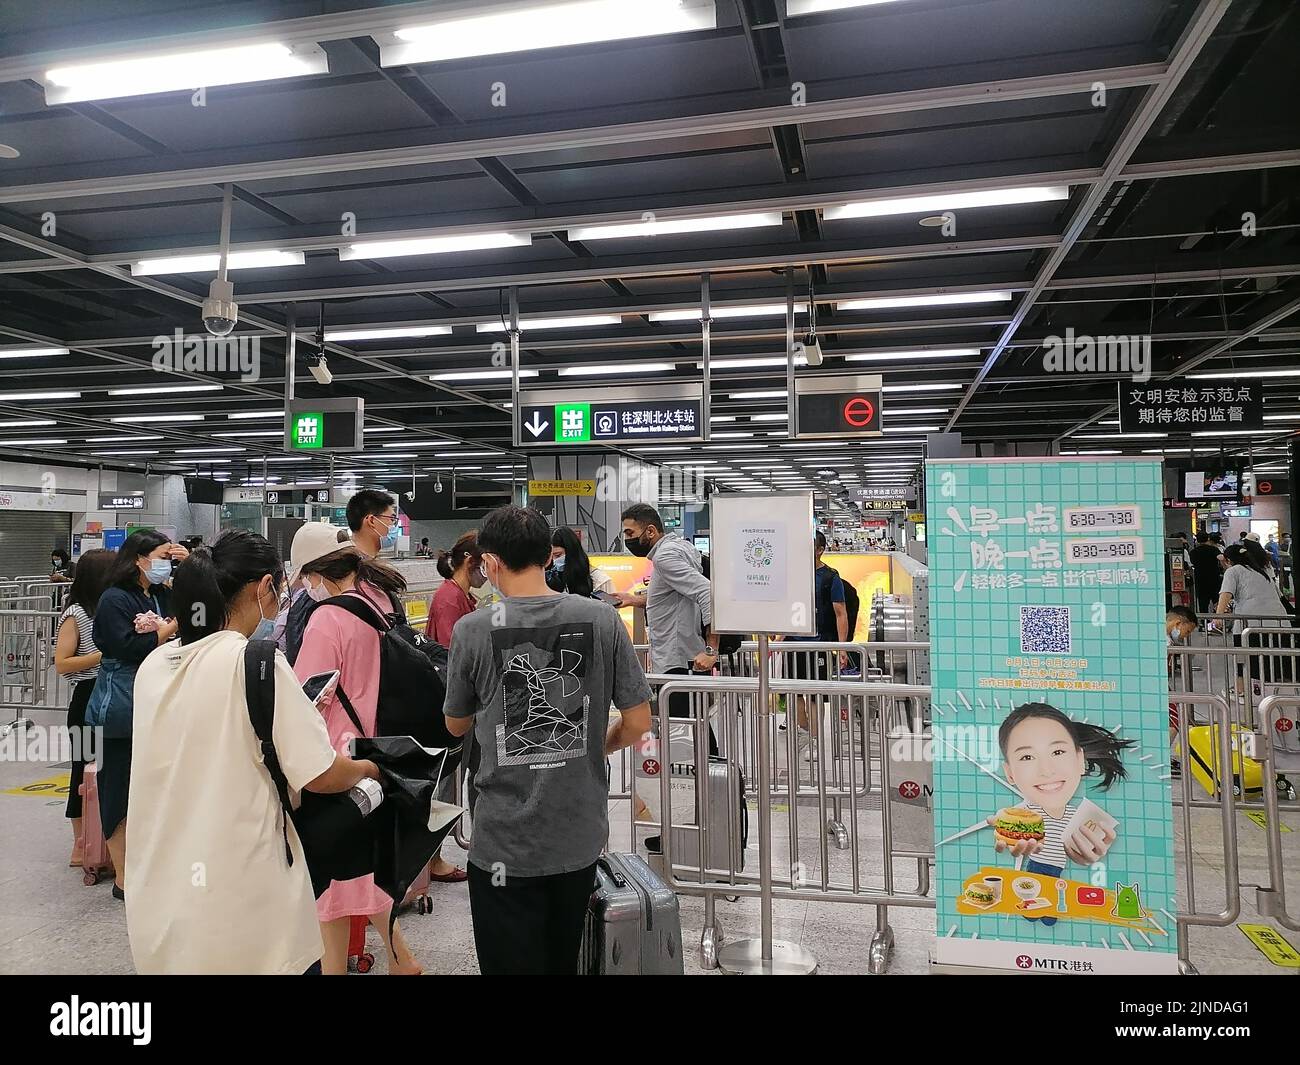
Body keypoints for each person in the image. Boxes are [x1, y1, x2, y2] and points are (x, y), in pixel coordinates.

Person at [125, 531, 380, 975]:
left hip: (160, 898)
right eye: (279, 589)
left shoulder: (154, 666)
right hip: (246, 902)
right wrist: (365, 768)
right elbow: (319, 773)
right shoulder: (258, 662)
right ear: (264, 588)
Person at [443, 505, 652, 975]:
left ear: (491, 562)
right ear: (547, 557)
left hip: (503, 844)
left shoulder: (473, 630)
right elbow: (639, 722)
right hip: (576, 835)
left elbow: (454, 725)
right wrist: (601, 744)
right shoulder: (600, 619)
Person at [289, 522, 423, 975]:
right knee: (359, 868)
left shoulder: (326, 618)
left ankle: (342, 968)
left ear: (315, 573)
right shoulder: (375, 605)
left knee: (327, 885)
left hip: (331, 763)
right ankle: (401, 959)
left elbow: (308, 696)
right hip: (371, 756)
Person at [90, 531, 188, 900]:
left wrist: (190, 563)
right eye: (163, 556)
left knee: (153, 788)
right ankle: (123, 877)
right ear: (139, 559)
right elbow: (124, 646)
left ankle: (151, 868)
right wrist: (168, 629)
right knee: (116, 786)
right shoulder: (115, 599)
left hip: (157, 702)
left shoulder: (162, 593)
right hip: (121, 703)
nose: (167, 562)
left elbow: (198, 610)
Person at [986, 702, 1132, 925]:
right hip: (1037, 863)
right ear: (1010, 773)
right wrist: (1003, 827)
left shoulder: (1078, 814)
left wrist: (1096, 847)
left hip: (1058, 865)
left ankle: (1046, 911)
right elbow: (1005, 817)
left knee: (1051, 892)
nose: (1046, 770)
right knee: (1034, 888)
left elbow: (1091, 840)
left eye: (1057, 752)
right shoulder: (1027, 813)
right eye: (1027, 757)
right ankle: (1032, 910)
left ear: (1080, 760)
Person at [614, 503, 721, 753]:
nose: (628, 540)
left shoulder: (665, 556)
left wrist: (711, 649)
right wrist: (634, 600)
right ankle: (709, 783)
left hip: (678, 660)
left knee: (688, 732)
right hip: (684, 656)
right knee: (697, 728)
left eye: (630, 533)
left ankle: (703, 785)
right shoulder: (681, 547)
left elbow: (706, 592)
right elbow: (676, 598)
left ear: (650, 531)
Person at [422, 530, 486, 884]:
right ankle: (433, 857)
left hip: (469, 702)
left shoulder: (464, 597)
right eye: (483, 563)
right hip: (455, 703)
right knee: (447, 780)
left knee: (477, 774)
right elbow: (452, 657)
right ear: (468, 561)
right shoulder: (449, 599)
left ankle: (481, 840)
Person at [54, 548, 113, 868]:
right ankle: (80, 841)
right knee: (83, 768)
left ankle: (102, 836)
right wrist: (104, 655)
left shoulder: (110, 610)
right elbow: (62, 663)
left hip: (110, 694)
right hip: (87, 697)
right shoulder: (76, 614)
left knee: (107, 768)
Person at [776, 532, 848, 756]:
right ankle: (805, 731)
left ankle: (816, 741)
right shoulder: (792, 575)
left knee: (816, 695)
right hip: (793, 645)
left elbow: (840, 613)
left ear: (820, 550)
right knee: (794, 693)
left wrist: (842, 647)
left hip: (820, 646)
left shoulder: (830, 578)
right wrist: (778, 635)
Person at [1217, 540, 1292, 687]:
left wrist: (1218, 617)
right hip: (1278, 624)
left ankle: (1242, 690)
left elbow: (1225, 594)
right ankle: (1269, 696)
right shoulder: (1260, 571)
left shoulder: (1233, 571)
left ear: (1228, 560)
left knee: (1244, 663)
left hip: (1249, 625)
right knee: (1272, 665)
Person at [1166, 605, 1199, 776]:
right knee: (1174, 720)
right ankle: (1160, 757)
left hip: (1158, 685)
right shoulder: (1164, 641)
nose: (1186, 636)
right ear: (1178, 623)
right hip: (1155, 687)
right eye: (1187, 631)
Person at [547, 527, 614, 598]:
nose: (554, 560)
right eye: (551, 556)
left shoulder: (600, 580)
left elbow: (611, 608)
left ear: (572, 552)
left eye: (558, 555)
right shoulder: (551, 578)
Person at [347, 488, 399, 559]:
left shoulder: (347, 560)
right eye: (392, 519)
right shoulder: (355, 567)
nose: (394, 525)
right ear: (371, 521)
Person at [1189, 530, 1223, 614]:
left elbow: (1192, 563)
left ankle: (1205, 623)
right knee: (1217, 601)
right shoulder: (1214, 549)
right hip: (1214, 578)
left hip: (1200, 580)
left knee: (1203, 603)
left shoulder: (1193, 552)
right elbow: (1221, 558)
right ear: (1208, 539)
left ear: (1197, 540)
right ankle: (1219, 621)